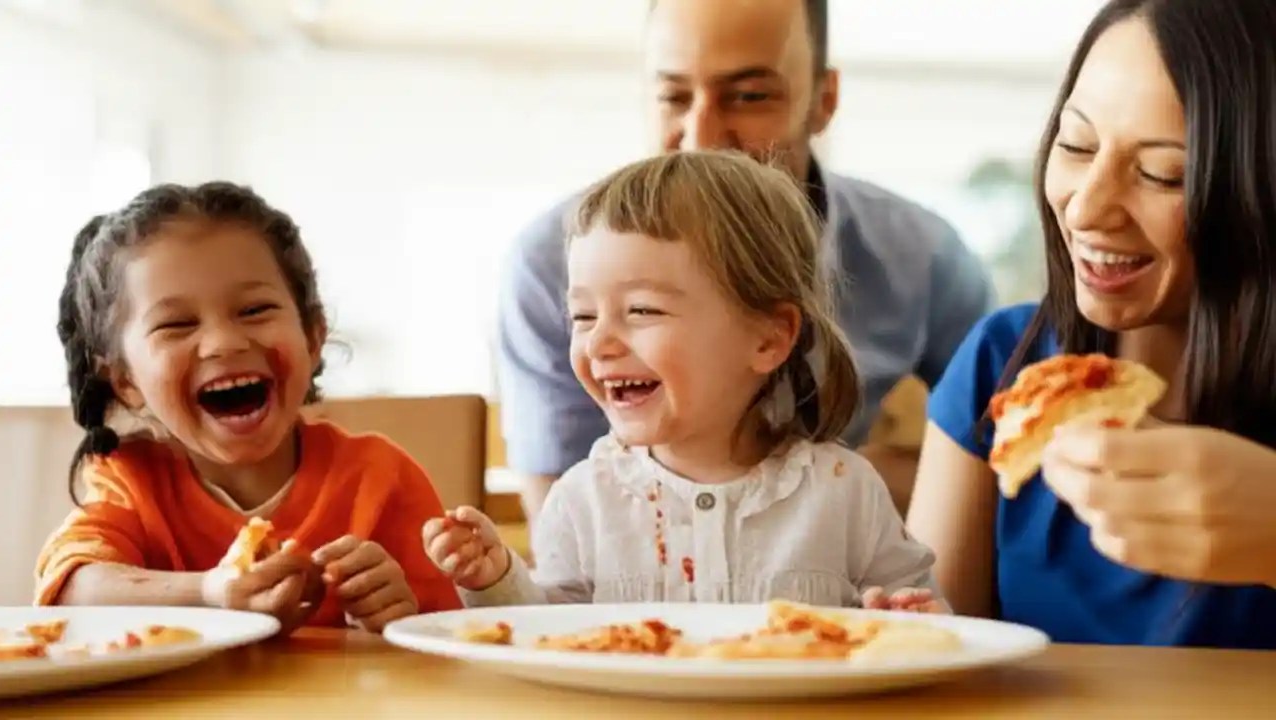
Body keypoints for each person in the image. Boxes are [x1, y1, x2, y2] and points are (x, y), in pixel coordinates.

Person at [497, 0, 994, 523]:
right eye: (674, 96)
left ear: (824, 100)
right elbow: (569, 523)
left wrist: (847, 479)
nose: (703, 138)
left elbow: (1002, 473)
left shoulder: (925, 260)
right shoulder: (552, 264)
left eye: (750, 96)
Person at [426, 151, 946, 612]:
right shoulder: (585, 498)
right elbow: (551, 631)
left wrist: (905, 618)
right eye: (582, 317)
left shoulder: (843, 491)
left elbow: (921, 616)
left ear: (768, 338)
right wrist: (495, 579)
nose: (599, 343)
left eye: (641, 310)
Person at [907, 0, 1276, 648]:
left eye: (1163, 173)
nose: (1087, 206)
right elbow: (938, 651)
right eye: (1075, 144)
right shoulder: (1003, 364)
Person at [36, 182, 461, 633]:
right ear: (126, 381)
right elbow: (69, 591)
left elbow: (450, 638)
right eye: (177, 324)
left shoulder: (381, 477)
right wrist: (208, 592)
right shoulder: (131, 483)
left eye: (255, 309)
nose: (224, 342)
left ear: (313, 337)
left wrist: (400, 613)